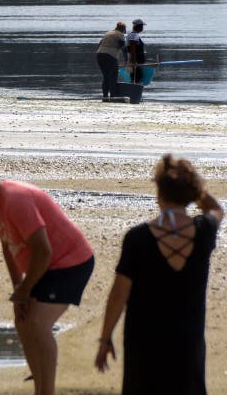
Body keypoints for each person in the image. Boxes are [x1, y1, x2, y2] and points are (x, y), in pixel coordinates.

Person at [95, 155, 223, 395]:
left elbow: (118, 295)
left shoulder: (137, 238)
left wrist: (105, 339)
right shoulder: (204, 231)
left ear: (159, 191)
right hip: (188, 341)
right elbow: (216, 208)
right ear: (190, 192)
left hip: (144, 343)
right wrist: (195, 191)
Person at [0, 174, 94, 395]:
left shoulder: (15, 201)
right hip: (43, 266)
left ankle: (46, 391)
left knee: (38, 324)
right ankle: (39, 388)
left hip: (70, 262)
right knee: (23, 322)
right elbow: (8, 247)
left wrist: (25, 290)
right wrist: (18, 289)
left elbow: (43, 250)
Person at [96, 21, 126, 99]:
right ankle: (113, 96)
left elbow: (100, 44)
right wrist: (126, 60)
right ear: (123, 29)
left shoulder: (108, 33)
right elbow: (123, 48)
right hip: (110, 56)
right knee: (113, 76)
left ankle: (105, 96)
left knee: (106, 76)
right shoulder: (120, 35)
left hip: (99, 55)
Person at [126, 19, 146, 84]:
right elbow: (132, 49)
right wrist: (134, 62)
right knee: (136, 77)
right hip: (136, 60)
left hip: (137, 60)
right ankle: (135, 89)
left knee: (136, 77)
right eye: (142, 26)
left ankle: (135, 87)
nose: (142, 28)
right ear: (139, 26)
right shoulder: (134, 35)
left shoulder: (133, 35)